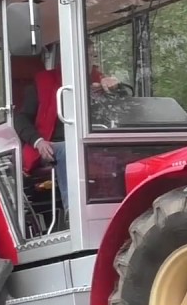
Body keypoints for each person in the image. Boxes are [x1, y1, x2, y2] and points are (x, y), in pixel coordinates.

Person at [12, 38, 119, 207]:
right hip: (53, 145)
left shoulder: (102, 83)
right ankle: (74, 210)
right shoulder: (43, 82)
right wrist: (38, 142)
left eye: (92, 55)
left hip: (95, 142)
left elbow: (121, 112)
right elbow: (20, 118)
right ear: (66, 57)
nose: (89, 60)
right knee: (71, 150)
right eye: (83, 55)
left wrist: (114, 90)